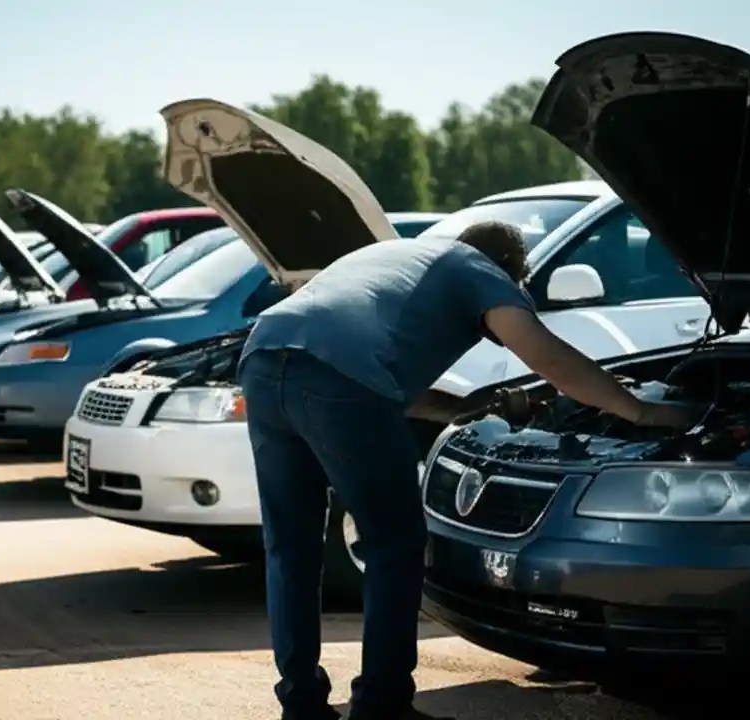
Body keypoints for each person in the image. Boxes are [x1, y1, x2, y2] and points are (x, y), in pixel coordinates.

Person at [238, 220, 696, 720]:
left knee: (291, 546)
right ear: (510, 272)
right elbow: (548, 357)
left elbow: (374, 377)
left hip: (264, 355)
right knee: (394, 544)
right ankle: (382, 705)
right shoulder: (477, 269)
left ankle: (300, 703)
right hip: (338, 376)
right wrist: (638, 411)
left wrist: (466, 410)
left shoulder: (404, 257)